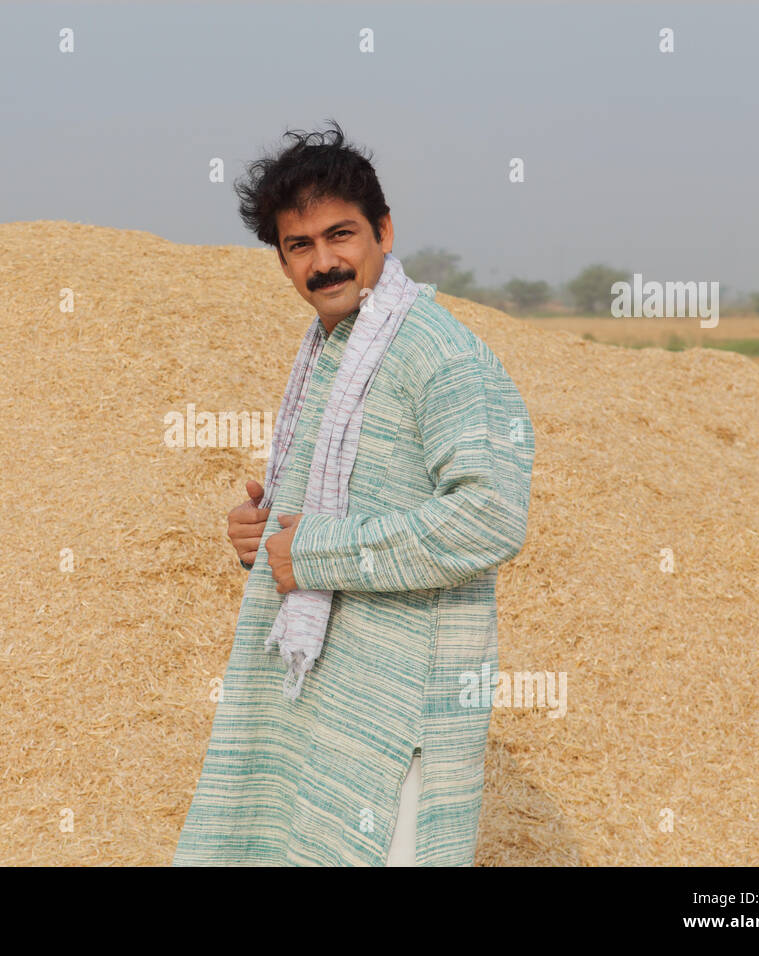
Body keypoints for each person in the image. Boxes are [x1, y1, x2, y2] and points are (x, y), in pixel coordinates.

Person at [172, 120, 534, 865]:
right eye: (298, 245)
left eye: (341, 235)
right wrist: (263, 532)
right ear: (279, 259)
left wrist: (310, 550)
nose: (324, 262)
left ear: (385, 231)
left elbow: (489, 517)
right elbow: (322, 513)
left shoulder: (439, 354)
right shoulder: (332, 349)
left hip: (403, 708)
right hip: (331, 692)